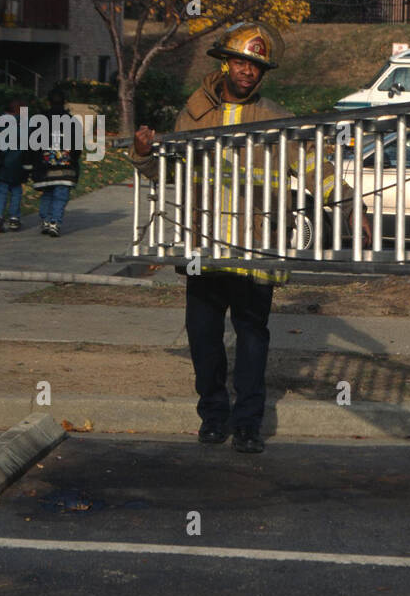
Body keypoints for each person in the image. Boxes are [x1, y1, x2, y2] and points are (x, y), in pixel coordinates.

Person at [131, 22, 367, 455]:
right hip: (204, 247)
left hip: (257, 250)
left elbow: (315, 166)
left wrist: (350, 203)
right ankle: (214, 417)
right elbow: (172, 174)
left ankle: (247, 425)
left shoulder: (277, 118)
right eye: (241, 61)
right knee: (203, 338)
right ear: (226, 63)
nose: (247, 71)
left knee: (253, 341)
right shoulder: (195, 113)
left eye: (256, 66)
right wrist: (144, 156)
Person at [32, 85, 80, 237]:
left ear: (48, 102)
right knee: (61, 195)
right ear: (65, 102)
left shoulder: (40, 120)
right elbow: (77, 146)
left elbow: (33, 144)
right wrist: (73, 158)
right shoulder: (72, 121)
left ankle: (45, 220)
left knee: (47, 193)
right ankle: (55, 222)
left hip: (45, 167)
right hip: (66, 167)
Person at [0, 99, 29, 233]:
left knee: (1, 190)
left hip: (2, 163)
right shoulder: (23, 126)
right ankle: (14, 217)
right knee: (16, 191)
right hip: (17, 164)